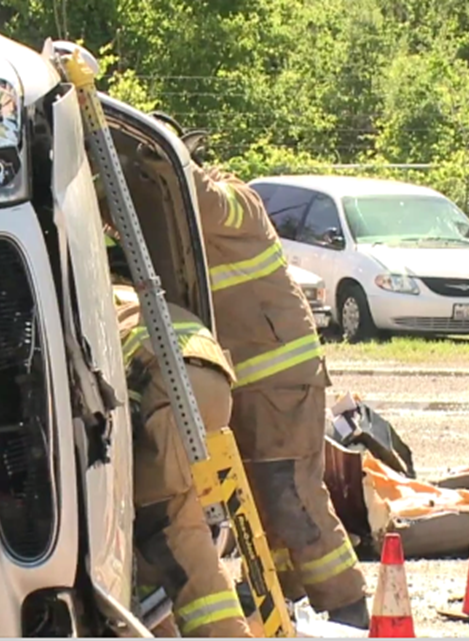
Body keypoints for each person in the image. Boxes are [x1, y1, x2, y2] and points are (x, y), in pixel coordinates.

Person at [189, 165, 370, 629]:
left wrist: (155, 160)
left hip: (280, 380)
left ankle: (346, 605)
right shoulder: (179, 223)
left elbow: (201, 196)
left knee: (288, 494)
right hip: (243, 383)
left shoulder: (235, 201)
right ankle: (281, 601)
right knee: (256, 501)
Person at [108, 238, 253, 638]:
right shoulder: (137, 302)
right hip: (213, 382)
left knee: (167, 523)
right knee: (165, 514)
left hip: (171, 387)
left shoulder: (97, 306)